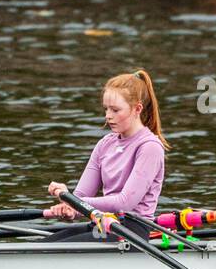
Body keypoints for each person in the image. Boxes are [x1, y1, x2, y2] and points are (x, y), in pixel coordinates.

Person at [45, 70, 168, 243]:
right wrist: (69, 207)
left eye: (115, 110)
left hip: (133, 231)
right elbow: (81, 195)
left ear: (137, 109)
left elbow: (125, 202)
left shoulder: (150, 148)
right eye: (106, 109)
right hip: (104, 224)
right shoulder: (105, 144)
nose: (108, 116)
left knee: (52, 250)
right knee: (44, 244)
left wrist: (73, 201)